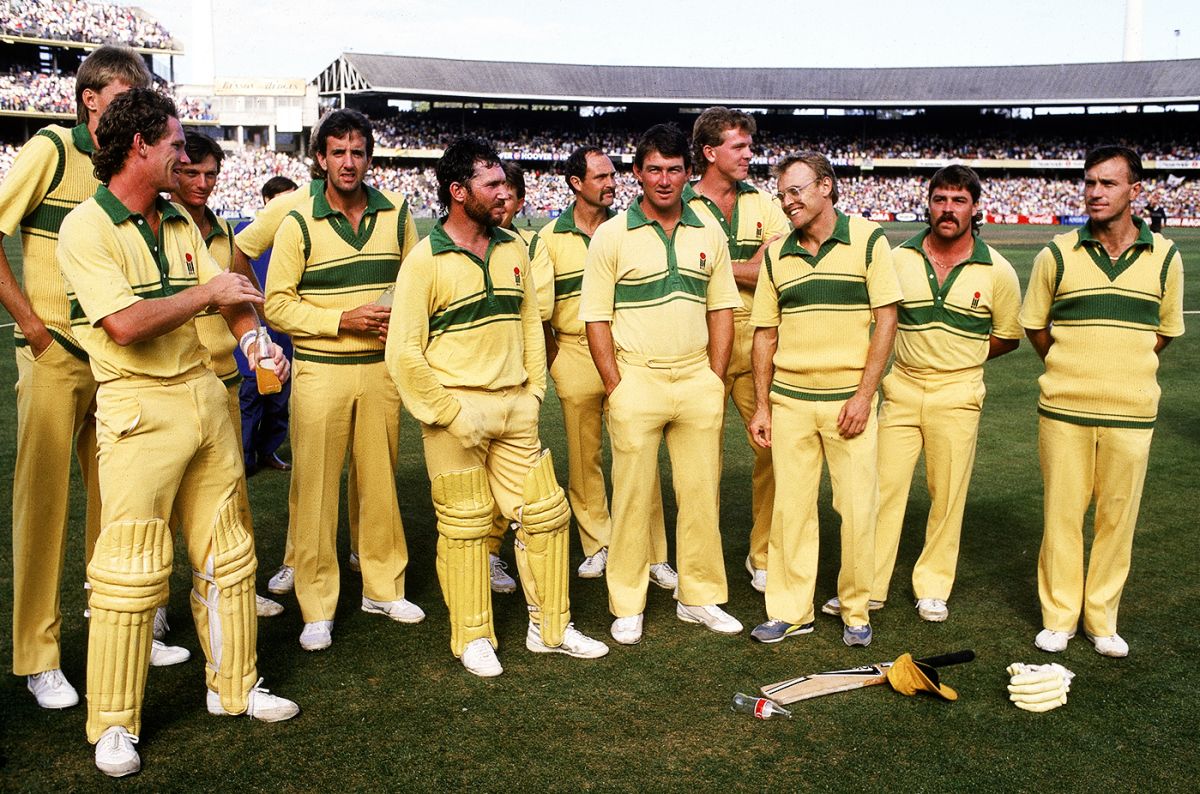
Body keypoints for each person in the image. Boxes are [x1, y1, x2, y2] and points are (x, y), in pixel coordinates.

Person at [56, 87, 298, 778]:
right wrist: (211, 295)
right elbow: (126, 325)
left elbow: (230, 302)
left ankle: (236, 687)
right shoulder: (87, 228)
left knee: (229, 553)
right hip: (135, 407)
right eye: (175, 144)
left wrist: (256, 346)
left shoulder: (179, 221)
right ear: (139, 145)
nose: (184, 155)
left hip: (203, 399)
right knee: (130, 569)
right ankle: (112, 723)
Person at [0, 44, 188, 711]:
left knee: (121, 505)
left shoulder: (126, 172)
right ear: (90, 100)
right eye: (123, 98)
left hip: (114, 365)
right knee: (44, 510)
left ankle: (124, 622)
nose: (136, 115)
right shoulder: (51, 150)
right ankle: (38, 655)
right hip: (57, 359)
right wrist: (30, 324)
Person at [387, 136, 608, 677]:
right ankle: (473, 636)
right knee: (464, 526)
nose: (503, 191)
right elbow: (404, 351)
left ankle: (551, 628)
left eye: (503, 182)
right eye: (491, 184)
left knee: (545, 514)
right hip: (456, 412)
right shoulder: (425, 260)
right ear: (459, 192)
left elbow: (531, 327)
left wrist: (533, 393)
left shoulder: (513, 248)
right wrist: (448, 411)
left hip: (515, 408)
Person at [264, 108, 423, 651]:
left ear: (369, 157)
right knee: (315, 491)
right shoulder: (296, 221)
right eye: (338, 152)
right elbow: (277, 305)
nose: (348, 163)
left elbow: (414, 283)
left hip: (380, 373)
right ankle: (316, 604)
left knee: (379, 484)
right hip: (320, 373)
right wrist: (341, 320)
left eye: (358, 152)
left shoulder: (398, 212)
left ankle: (383, 586)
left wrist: (397, 321)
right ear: (320, 159)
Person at [580, 124, 742, 646]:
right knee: (631, 498)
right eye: (654, 169)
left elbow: (721, 309)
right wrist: (615, 384)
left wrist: (714, 379)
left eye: (674, 169)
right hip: (638, 378)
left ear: (688, 172)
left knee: (699, 495)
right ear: (638, 174)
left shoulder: (708, 231)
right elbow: (596, 318)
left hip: (697, 377)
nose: (665, 179)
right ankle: (627, 603)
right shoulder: (612, 234)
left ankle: (700, 598)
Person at [1020, 146, 1184, 658]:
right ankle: (1059, 617)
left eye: (1107, 183)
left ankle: (1102, 619)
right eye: (1089, 182)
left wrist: (1123, 362)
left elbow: (1164, 332)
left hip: (1132, 413)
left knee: (1117, 519)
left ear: (1135, 191)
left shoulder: (1167, 257)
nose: (1094, 192)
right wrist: (1074, 363)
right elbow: (1035, 326)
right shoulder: (1056, 252)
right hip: (1064, 409)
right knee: (1063, 515)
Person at [747, 152, 901, 648]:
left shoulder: (868, 239)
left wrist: (864, 395)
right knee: (791, 511)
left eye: (796, 191)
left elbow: (886, 321)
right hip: (790, 402)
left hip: (847, 404)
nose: (787, 202)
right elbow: (765, 334)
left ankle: (856, 608)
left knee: (856, 509)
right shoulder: (776, 254)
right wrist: (764, 406)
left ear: (826, 187)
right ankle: (791, 610)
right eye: (782, 194)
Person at [861, 165, 1021, 624]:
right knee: (882, 489)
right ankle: (870, 586)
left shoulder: (999, 271)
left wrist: (960, 357)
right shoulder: (897, 258)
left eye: (958, 201)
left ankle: (932, 587)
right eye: (940, 199)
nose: (948, 209)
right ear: (928, 204)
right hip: (903, 387)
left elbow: (1007, 337)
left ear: (974, 208)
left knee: (947, 494)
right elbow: (879, 322)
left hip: (959, 392)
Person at [531, 145, 675, 587]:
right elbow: (538, 312)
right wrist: (558, 362)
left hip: (627, 352)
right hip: (574, 352)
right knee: (583, 455)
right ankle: (599, 543)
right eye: (601, 177)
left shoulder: (628, 229)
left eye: (613, 176)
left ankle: (652, 553)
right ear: (577, 183)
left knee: (638, 452)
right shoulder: (549, 238)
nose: (612, 183)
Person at [170, 131, 282, 619]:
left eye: (211, 173)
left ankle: (239, 585)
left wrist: (261, 343)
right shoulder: (153, 224)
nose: (202, 182)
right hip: (170, 378)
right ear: (172, 168)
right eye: (191, 172)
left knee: (231, 492)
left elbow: (241, 298)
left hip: (224, 376)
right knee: (164, 500)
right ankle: (153, 608)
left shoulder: (223, 230)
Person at [686, 107, 791, 593]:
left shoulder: (765, 203)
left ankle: (763, 554)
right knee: (701, 462)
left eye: (750, 146)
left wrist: (715, 266)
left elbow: (777, 267)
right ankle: (698, 564)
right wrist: (748, 264)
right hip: (697, 347)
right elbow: (750, 268)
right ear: (710, 152)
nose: (750, 155)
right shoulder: (681, 206)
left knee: (773, 449)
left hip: (757, 350)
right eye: (739, 147)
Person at [235, 175, 297, 475]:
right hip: (253, 338)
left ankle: (268, 451)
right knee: (250, 401)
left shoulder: (298, 235)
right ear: (266, 204)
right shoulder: (244, 236)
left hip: (285, 338)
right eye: (280, 202)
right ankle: (244, 460)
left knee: (278, 404)